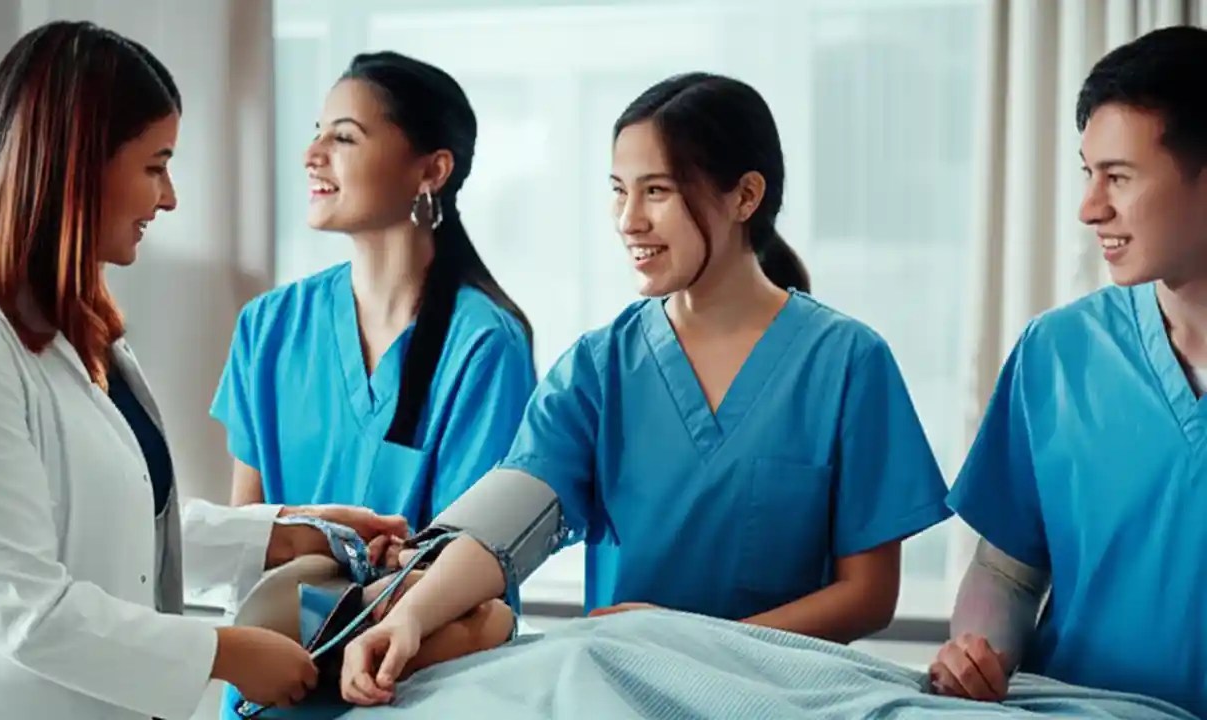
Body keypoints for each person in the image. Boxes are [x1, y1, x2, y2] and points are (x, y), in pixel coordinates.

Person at [333, 71, 954, 706]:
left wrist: (684, 642)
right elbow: (506, 523)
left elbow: (869, 595)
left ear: (745, 196)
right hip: (621, 696)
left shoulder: (847, 362)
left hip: (786, 696)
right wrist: (409, 615)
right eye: (618, 191)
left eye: (656, 191)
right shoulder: (598, 369)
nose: (629, 220)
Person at [0, 22, 407, 720]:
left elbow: (122, 528)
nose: (170, 196)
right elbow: (23, 605)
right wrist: (224, 651)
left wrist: (288, 530)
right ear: (78, 164)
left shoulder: (86, 338)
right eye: (155, 165)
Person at [211, 50, 535, 717]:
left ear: (431, 170)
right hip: (268, 683)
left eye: (345, 136)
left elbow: (470, 578)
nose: (312, 153)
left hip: (411, 689)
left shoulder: (483, 345)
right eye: (316, 130)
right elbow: (248, 537)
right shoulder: (268, 327)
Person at [930, 26, 1207, 719]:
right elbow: (1006, 572)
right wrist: (976, 654)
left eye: (1118, 176)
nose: (1090, 207)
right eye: (1088, 173)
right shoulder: (1058, 354)